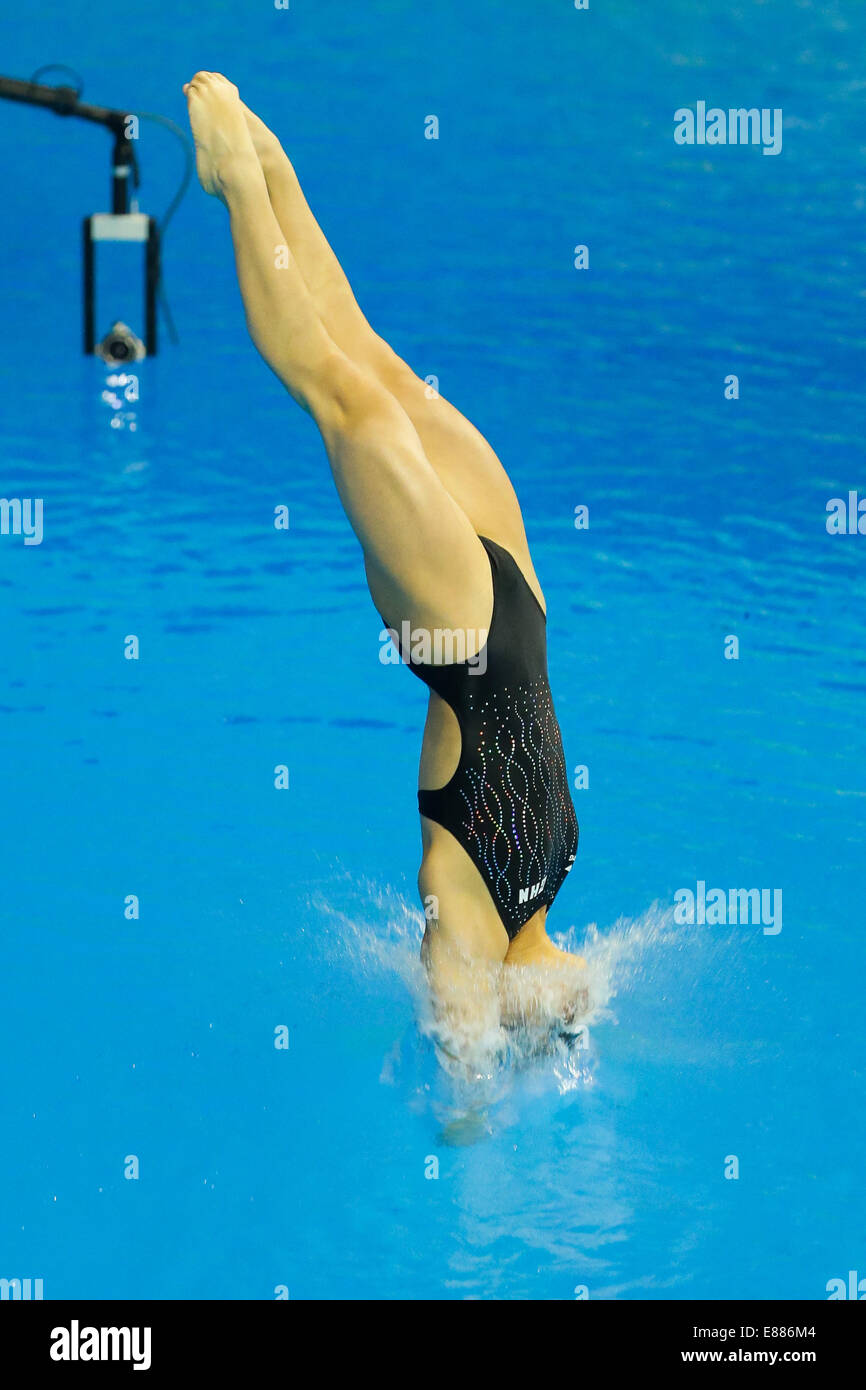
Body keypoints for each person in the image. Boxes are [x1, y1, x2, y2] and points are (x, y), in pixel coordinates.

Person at [183, 72, 588, 1067]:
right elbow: (464, 1077)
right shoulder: (467, 929)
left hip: (518, 599)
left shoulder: (556, 881)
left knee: (373, 365)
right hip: (456, 624)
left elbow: (574, 994)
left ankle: (271, 164)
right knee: (337, 396)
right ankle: (239, 179)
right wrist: (463, 1105)